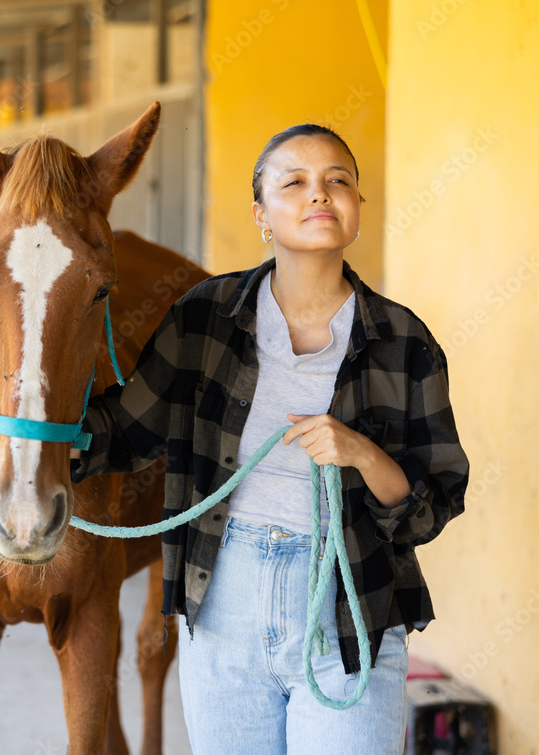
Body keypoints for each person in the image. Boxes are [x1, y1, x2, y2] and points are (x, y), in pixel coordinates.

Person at [70, 125, 469, 754]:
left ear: (358, 209)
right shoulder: (204, 317)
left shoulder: (405, 342)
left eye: (339, 181)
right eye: (295, 183)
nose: (321, 194)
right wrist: (29, 434)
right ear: (261, 215)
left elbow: (432, 504)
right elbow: (127, 428)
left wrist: (360, 453)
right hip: (223, 599)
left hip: (346, 607)